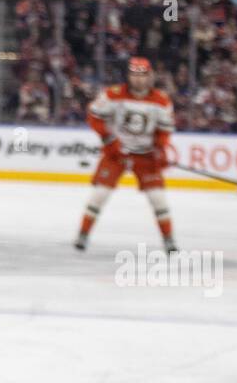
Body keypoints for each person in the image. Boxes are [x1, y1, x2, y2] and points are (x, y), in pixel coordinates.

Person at [74, 57, 176, 252]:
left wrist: (159, 148)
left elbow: (165, 130)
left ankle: (168, 239)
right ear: (129, 76)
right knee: (99, 194)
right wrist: (108, 139)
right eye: (134, 75)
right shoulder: (113, 94)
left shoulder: (161, 100)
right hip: (116, 154)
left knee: (158, 198)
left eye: (142, 75)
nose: (138, 80)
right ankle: (83, 234)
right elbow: (94, 115)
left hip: (145, 156)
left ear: (150, 76)